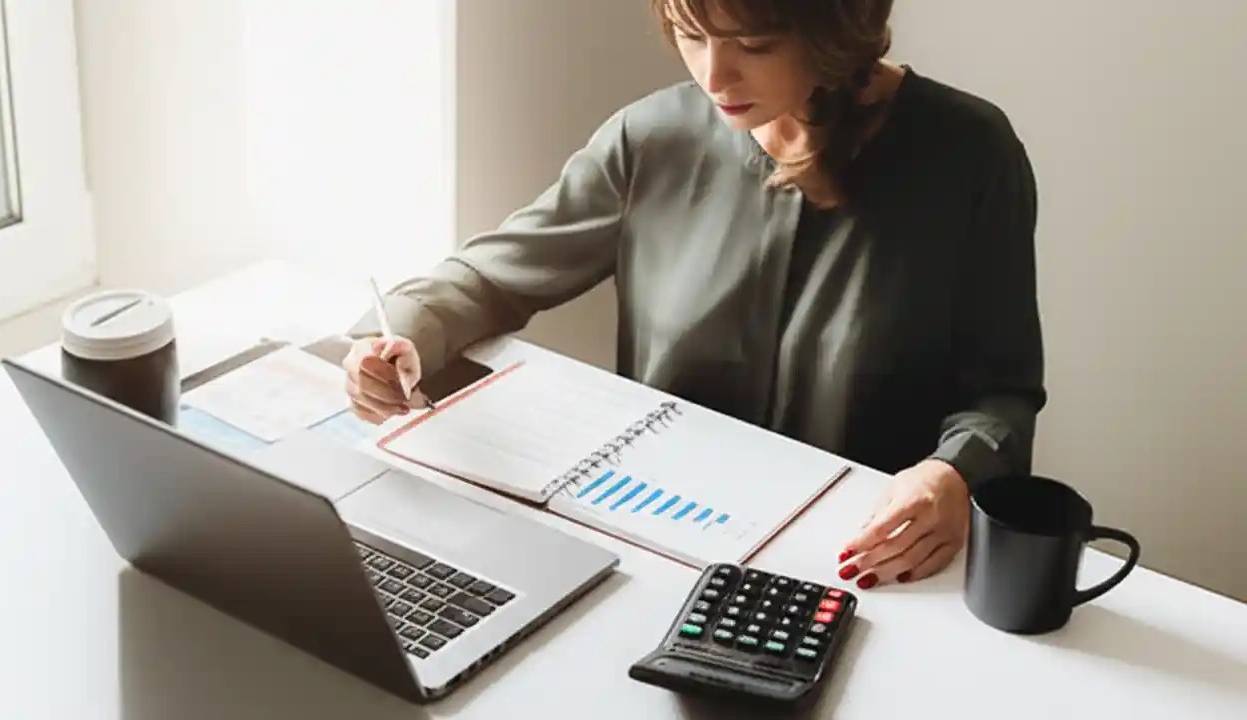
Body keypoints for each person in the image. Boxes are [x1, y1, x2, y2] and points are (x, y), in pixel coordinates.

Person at [343, 0, 1046, 590]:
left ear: (832, 30)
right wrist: (399, 337)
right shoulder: (651, 138)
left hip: (865, 566)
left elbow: (1002, 393)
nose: (715, 73)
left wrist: (955, 473)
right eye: (690, 34)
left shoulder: (968, 154)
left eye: (754, 43)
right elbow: (492, 276)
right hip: (655, 556)